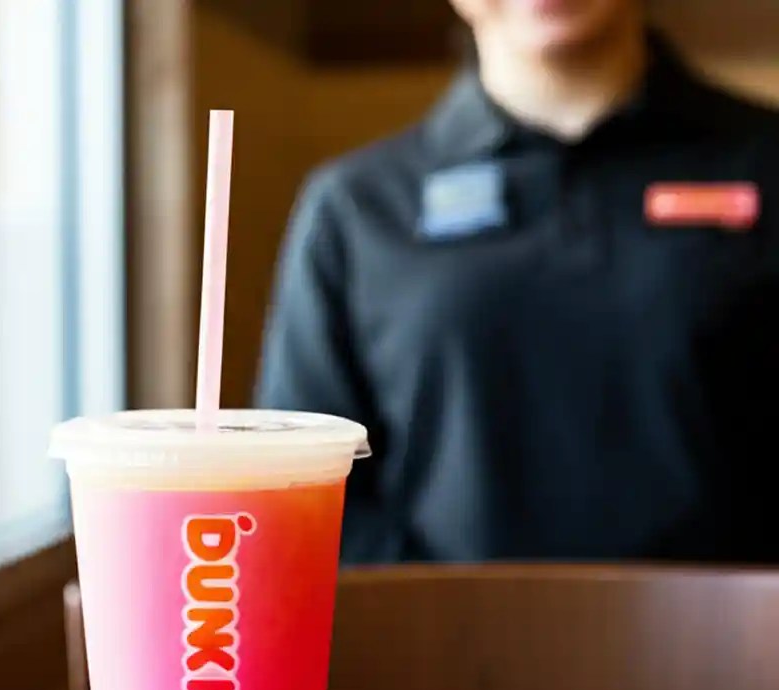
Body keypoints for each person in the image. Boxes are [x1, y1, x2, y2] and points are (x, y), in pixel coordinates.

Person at [257, 0, 779, 564]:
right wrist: (430, 610)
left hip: (736, 621)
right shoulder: (356, 208)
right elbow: (301, 498)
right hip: (433, 621)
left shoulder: (766, 164)